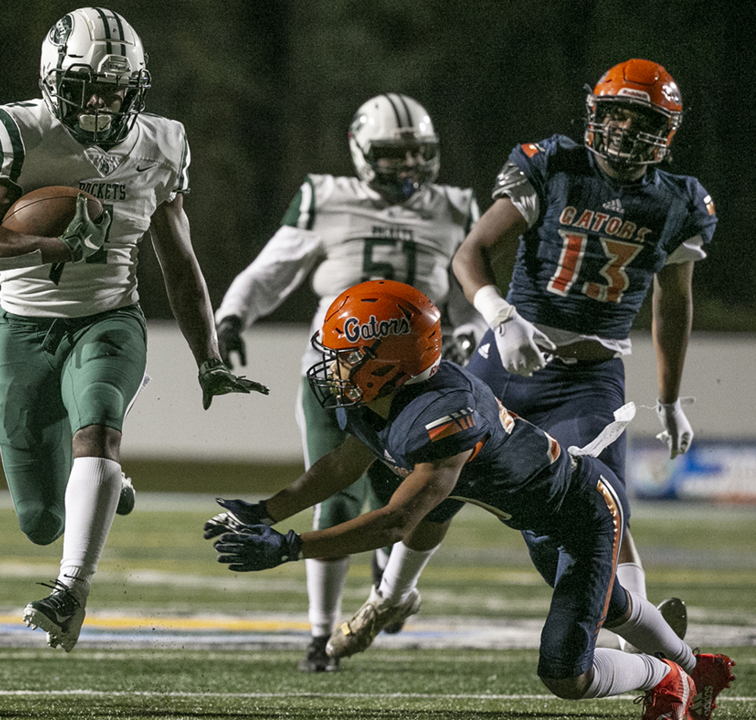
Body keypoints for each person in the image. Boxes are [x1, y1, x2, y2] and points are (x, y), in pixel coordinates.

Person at [206, 279, 735, 720]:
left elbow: (396, 522)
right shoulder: (383, 399)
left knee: (565, 673)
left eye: (346, 355)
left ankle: (666, 678)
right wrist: (266, 510)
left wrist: (289, 546)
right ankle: (698, 667)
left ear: (388, 360)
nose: (333, 366)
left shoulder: (443, 414)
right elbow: (342, 466)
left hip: (583, 514)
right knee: (609, 606)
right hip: (537, 515)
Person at [0, 6, 268, 653]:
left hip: (109, 319)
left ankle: (71, 590)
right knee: (39, 519)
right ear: (52, 81)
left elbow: (178, 261)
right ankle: (104, 483)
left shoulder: (158, 144)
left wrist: (207, 356)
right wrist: (46, 243)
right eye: (87, 87)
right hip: (26, 329)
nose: (102, 102)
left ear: (137, 87)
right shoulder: (16, 132)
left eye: (116, 89)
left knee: (97, 422)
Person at [452, 58, 714, 659]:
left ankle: (643, 648)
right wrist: (501, 315)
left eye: (638, 117)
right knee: (443, 463)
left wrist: (669, 399)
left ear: (665, 130)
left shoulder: (680, 202)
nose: (622, 129)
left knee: (604, 505)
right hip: (511, 349)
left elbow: (672, 309)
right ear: (595, 112)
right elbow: (472, 252)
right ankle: (391, 591)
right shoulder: (553, 163)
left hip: (591, 373)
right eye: (615, 113)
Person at [213, 93, 485, 672]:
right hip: (335, 374)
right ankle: (319, 635)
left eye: (418, 154)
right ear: (362, 152)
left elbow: (467, 299)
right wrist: (233, 316)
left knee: (401, 500)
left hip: (415, 381)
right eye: (393, 154)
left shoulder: (455, 207)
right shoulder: (328, 197)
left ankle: (389, 577)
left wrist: (474, 334)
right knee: (334, 492)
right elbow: (271, 269)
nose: (408, 167)